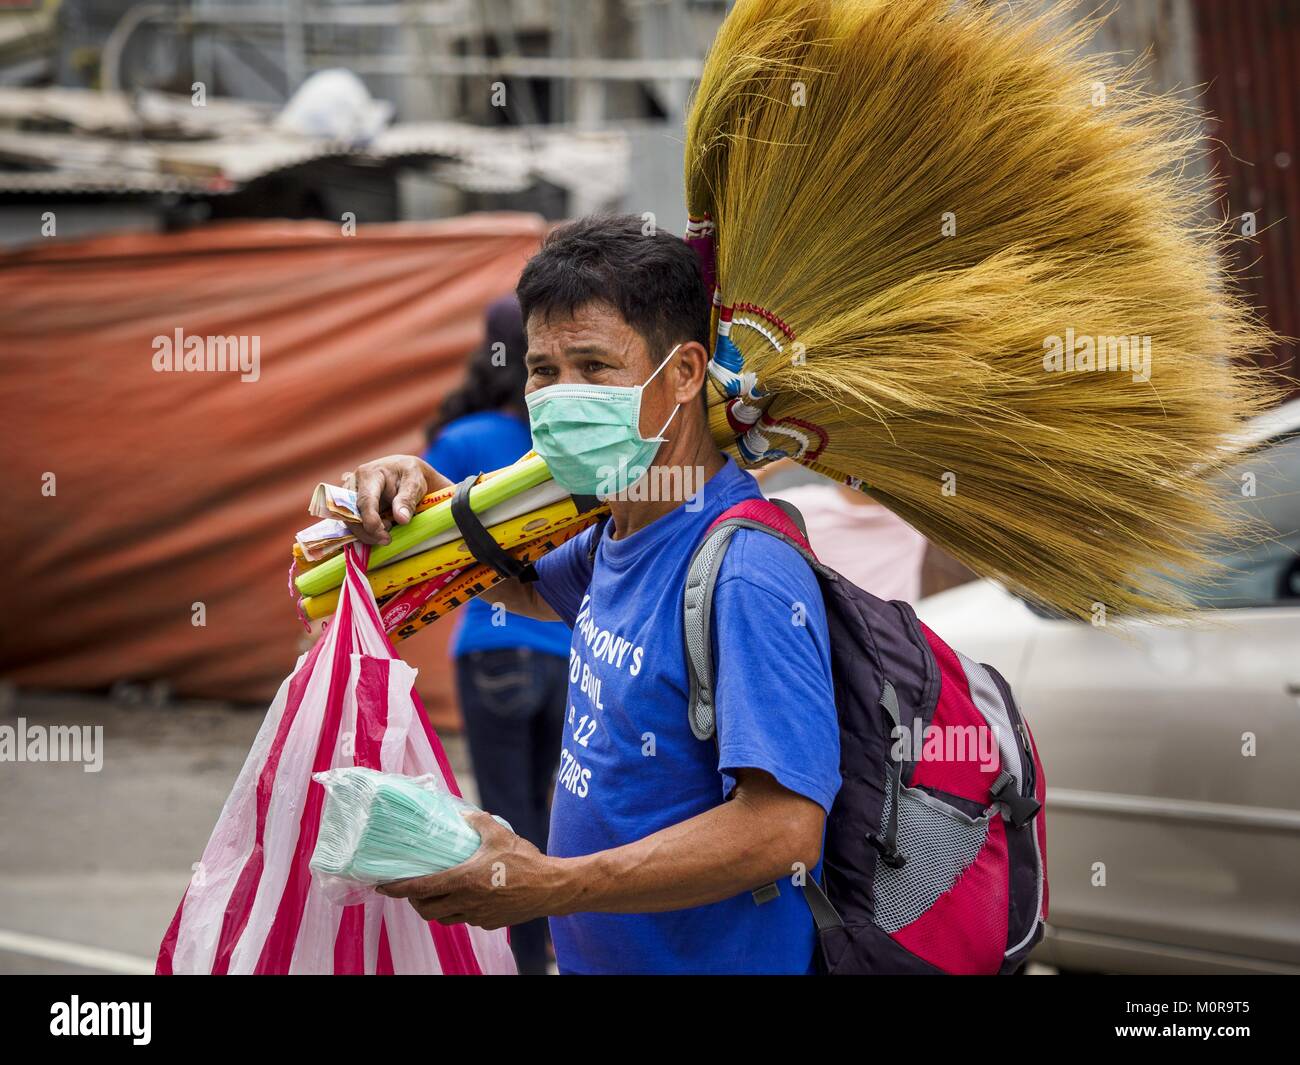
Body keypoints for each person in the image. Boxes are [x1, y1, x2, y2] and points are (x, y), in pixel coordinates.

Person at [349, 215, 840, 975]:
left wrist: (551, 883)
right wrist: (425, 498)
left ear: (683, 373)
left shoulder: (745, 570)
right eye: (543, 370)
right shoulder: (619, 530)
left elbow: (783, 829)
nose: (561, 395)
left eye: (593, 365)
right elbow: (519, 580)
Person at [422, 294, 571, 975]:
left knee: (504, 819)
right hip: (567, 650)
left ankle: (523, 962)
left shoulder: (464, 438)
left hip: (492, 651)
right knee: (548, 815)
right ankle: (551, 950)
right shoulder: (562, 444)